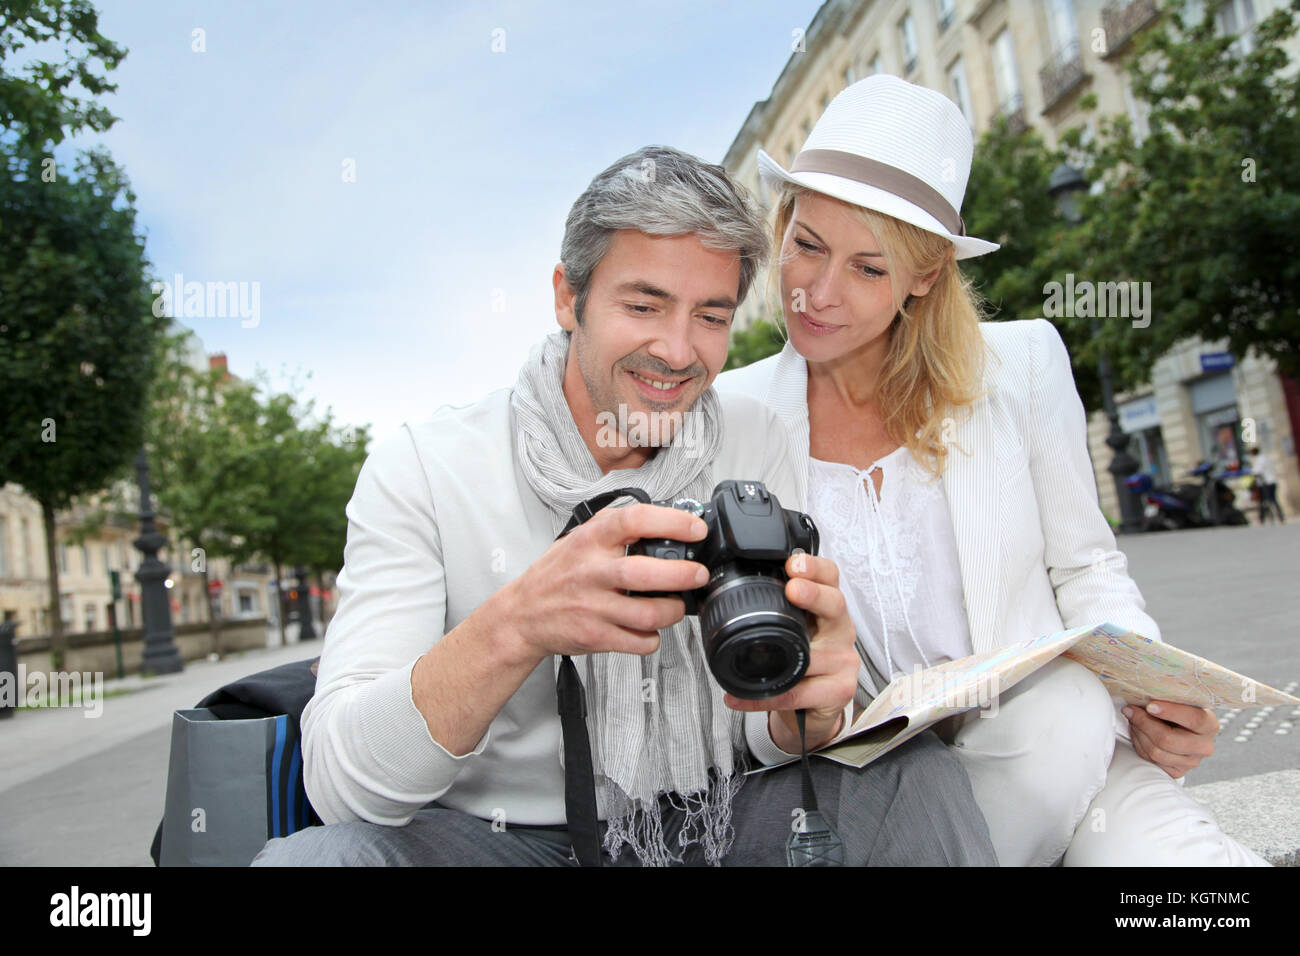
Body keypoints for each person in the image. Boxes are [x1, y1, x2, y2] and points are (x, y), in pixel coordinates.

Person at [250, 145, 997, 867]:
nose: (677, 352)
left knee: (914, 780)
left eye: (711, 316)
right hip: (497, 837)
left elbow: (769, 740)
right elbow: (343, 787)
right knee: (319, 860)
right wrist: (517, 623)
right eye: (645, 304)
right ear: (567, 297)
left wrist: (804, 706)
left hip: (713, 818)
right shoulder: (424, 464)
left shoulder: (754, 439)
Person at [718, 76, 1269, 866]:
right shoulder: (737, 414)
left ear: (927, 274)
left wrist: (1156, 692)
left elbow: (1087, 567)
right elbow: (745, 671)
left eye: (869, 269)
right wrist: (793, 717)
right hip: (881, 790)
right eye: (806, 245)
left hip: (1070, 767)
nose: (817, 292)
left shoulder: (1024, 364)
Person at [1249, 446, 1285, 524]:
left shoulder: (1259, 460)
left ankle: (1262, 519)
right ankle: (1280, 517)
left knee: (1263, 501)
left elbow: (1257, 472)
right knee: (1274, 500)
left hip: (1265, 483)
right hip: (1272, 481)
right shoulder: (1267, 457)